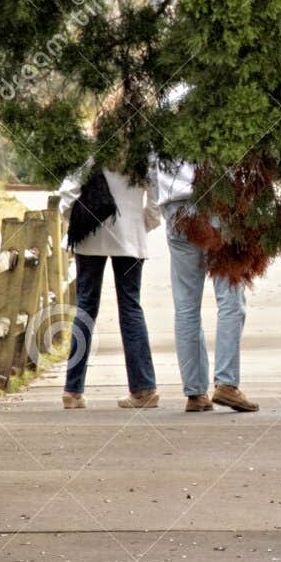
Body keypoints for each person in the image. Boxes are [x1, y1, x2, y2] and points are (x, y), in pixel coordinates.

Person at [154, 88, 257, 413]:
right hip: (215, 205)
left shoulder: (160, 107)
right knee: (230, 299)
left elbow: (148, 168)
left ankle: (195, 393)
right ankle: (226, 383)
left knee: (186, 305)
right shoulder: (216, 97)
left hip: (175, 210)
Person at [57, 161, 161, 409]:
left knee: (85, 307)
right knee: (131, 307)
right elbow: (155, 195)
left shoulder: (91, 148)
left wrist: (75, 218)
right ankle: (143, 389)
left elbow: (69, 189)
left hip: (91, 235)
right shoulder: (141, 150)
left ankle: (72, 391)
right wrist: (144, 222)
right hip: (130, 235)